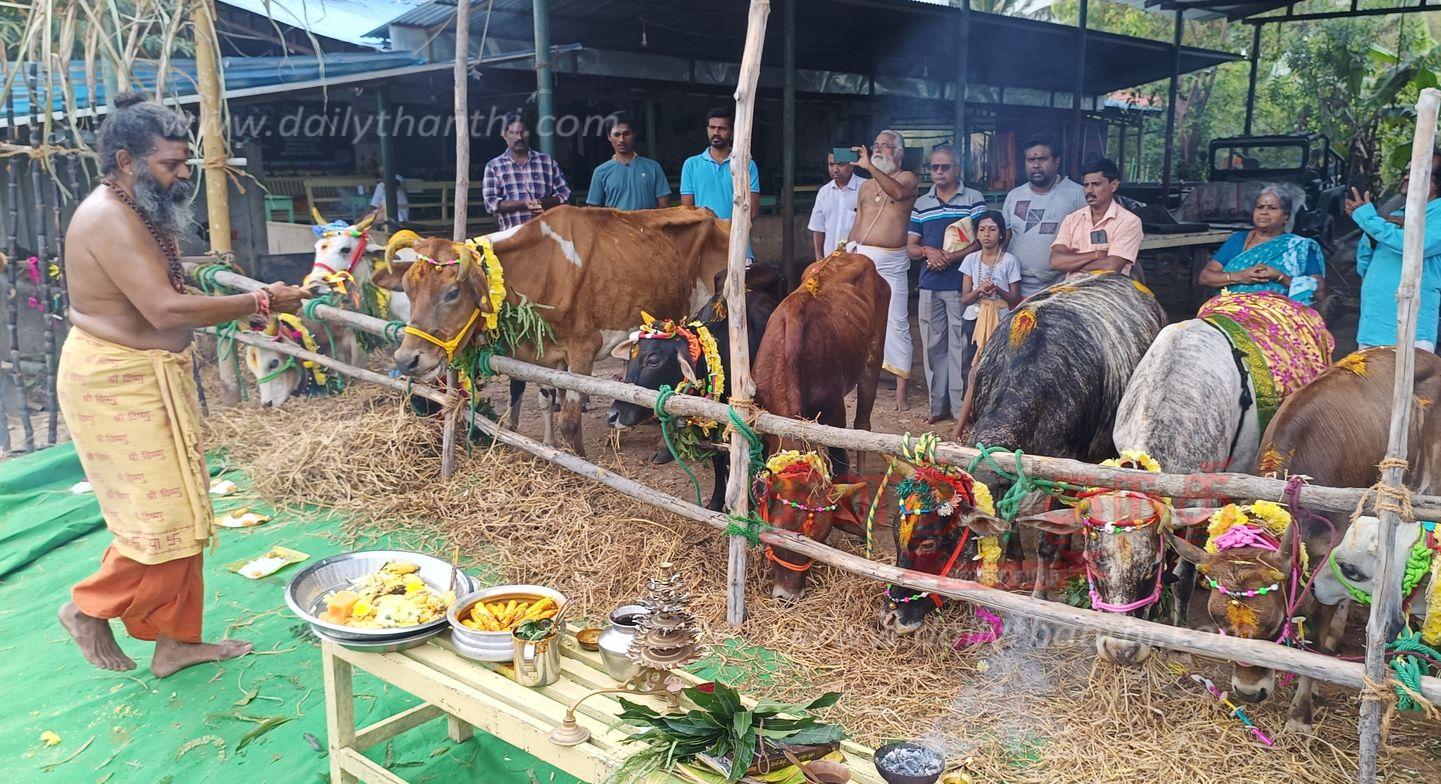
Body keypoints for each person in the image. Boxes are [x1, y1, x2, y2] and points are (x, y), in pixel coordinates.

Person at [56, 93, 310, 677]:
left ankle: (175, 642)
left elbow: (169, 295)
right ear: (126, 160)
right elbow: (165, 310)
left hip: (149, 378)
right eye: (170, 164)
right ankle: (88, 607)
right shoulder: (106, 216)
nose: (182, 175)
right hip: (115, 383)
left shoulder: (136, 207)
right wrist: (259, 300)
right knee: (163, 519)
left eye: (184, 162)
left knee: (187, 515)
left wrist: (248, 306)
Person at [905, 144, 985, 424]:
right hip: (929, 284)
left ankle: (958, 409)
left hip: (961, 285)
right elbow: (910, 247)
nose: (938, 172)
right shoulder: (921, 203)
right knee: (932, 347)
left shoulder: (973, 199)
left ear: (957, 169)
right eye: (934, 167)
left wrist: (950, 257)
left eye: (945, 167)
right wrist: (929, 252)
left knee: (961, 346)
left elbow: (980, 241)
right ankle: (937, 408)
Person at [846, 129, 920, 410]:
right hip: (861, 256)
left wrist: (869, 168)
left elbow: (897, 193)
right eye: (875, 145)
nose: (877, 150)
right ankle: (856, 376)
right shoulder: (865, 187)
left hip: (891, 260)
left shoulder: (907, 178)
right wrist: (845, 248)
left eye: (885, 146)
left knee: (896, 321)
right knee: (857, 318)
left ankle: (901, 389)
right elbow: (859, 222)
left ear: (899, 153)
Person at [1347, 171, 1441, 353]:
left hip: (1411, 331)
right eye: (1407, 172)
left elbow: (1415, 246)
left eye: (1416, 172)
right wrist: (1370, 230)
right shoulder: (1397, 214)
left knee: (1407, 380)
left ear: (1436, 184)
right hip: (1372, 326)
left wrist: (1368, 220)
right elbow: (1364, 264)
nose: (1406, 176)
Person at [952, 211, 1023, 438]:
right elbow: (964, 298)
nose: (986, 234)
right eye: (982, 230)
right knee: (971, 366)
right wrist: (978, 291)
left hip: (1001, 318)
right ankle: (971, 416)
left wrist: (997, 289)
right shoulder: (970, 260)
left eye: (992, 229)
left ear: (1001, 234)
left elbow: (1014, 298)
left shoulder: (1009, 261)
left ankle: (994, 414)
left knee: (1001, 367)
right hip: (975, 317)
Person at [1197, 186, 1325, 306]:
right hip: (1227, 309)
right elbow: (1205, 277)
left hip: (1275, 315)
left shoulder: (1298, 247)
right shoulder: (1238, 239)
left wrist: (1280, 277)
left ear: (1285, 217)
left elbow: (1318, 292)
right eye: (1260, 207)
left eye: (1272, 208)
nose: (1264, 212)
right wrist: (1241, 276)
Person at [1002, 134, 1087, 297]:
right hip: (1015, 287)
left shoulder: (1077, 195)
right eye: (1030, 160)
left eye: (1042, 159)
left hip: (1059, 288)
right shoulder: (1014, 196)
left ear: (1056, 161)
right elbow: (1005, 237)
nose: (1036, 165)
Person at [1049, 158, 1143, 278]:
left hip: (1108, 292)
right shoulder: (1071, 219)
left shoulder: (1129, 221)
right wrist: (1095, 255)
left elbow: (1111, 267)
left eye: (1096, 184)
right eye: (1086, 185)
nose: (1089, 190)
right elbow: (1055, 261)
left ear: (1113, 185)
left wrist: (1072, 264)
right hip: (1073, 290)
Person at [481, 113, 572, 231]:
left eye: (523, 132)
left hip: (546, 234)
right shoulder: (494, 166)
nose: (519, 137)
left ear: (529, 134)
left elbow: (565, 194)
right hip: (512, 237)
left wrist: (541, 202)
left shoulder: (547, 162)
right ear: (504, 135)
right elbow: (491, 204)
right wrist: (524, 203)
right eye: (513, 133)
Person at [680, 108, 760, 221]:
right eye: (712, 127)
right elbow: (687, 211)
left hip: (736, 237)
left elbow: (753, 211)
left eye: (722, 128)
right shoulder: (691, 165)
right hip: (704, 237)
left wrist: (730, 232)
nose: (716, 132)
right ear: (707, 129)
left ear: (732, 133)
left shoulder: (746, 165)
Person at [585, 111, 671, 211]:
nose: (621, 139)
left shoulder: (653, 167)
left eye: (626, 134)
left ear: (634, 134)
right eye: (616, 135)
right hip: (615, 226)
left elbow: (664, 206)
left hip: (647, 226)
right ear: (609, 136)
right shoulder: (600, 172)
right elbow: (593, 211)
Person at [807, 146, 863, 260]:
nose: (835, 169)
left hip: (857, 261)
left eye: (841, 164)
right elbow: (818, 228)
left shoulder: (866, 188)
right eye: (831, 164)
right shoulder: (824, 192)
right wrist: (819, 256)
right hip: (830, 260)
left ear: (852, 164)